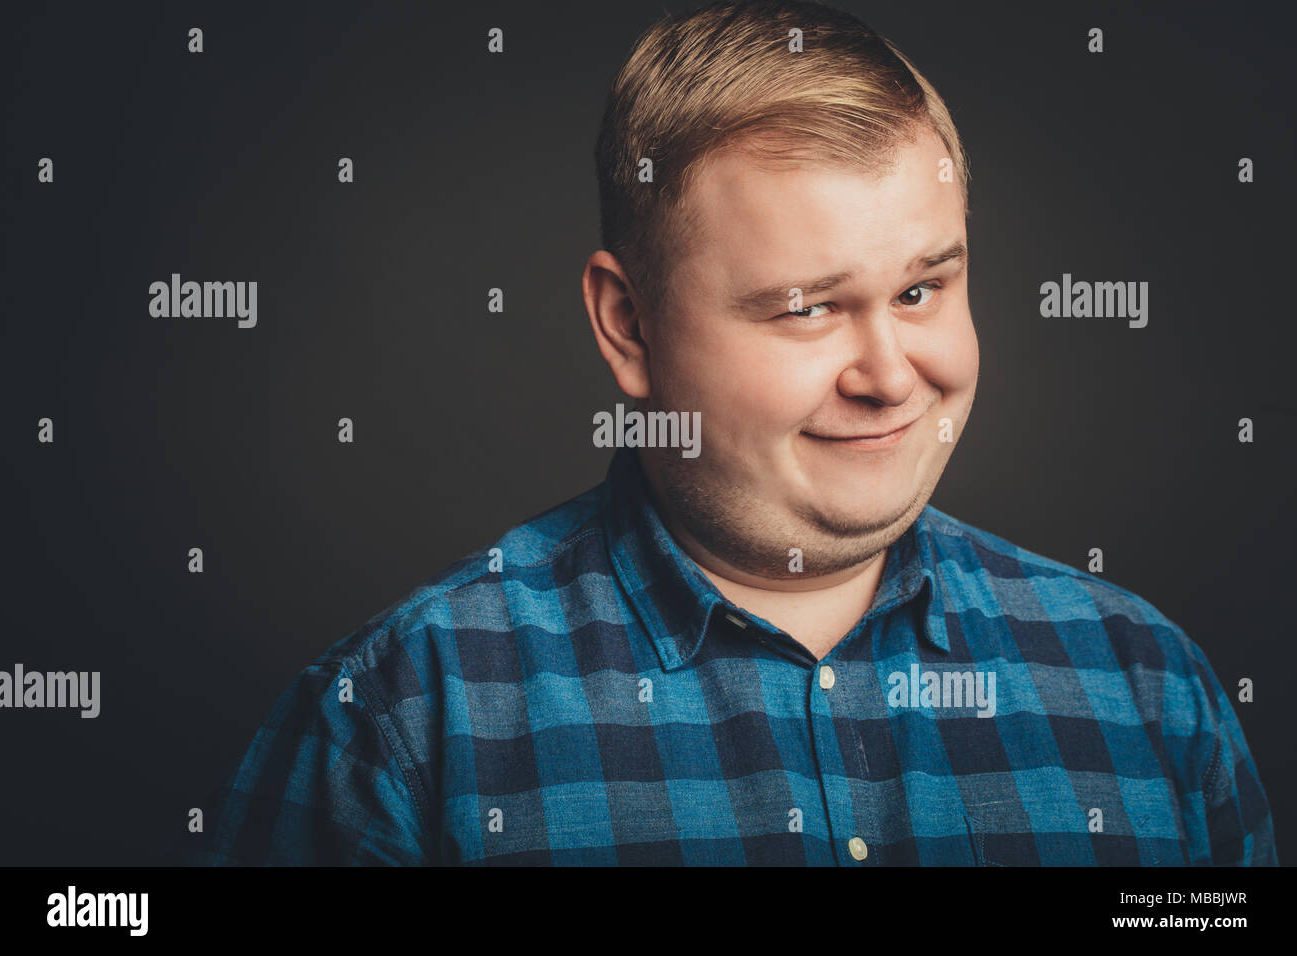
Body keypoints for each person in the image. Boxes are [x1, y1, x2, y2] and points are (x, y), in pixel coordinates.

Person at [187, 0, 1276, 865]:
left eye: (920, 290)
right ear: (629, 323)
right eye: (805, 307)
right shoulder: (403, 723)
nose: (891, 376)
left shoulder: (1145, 686)